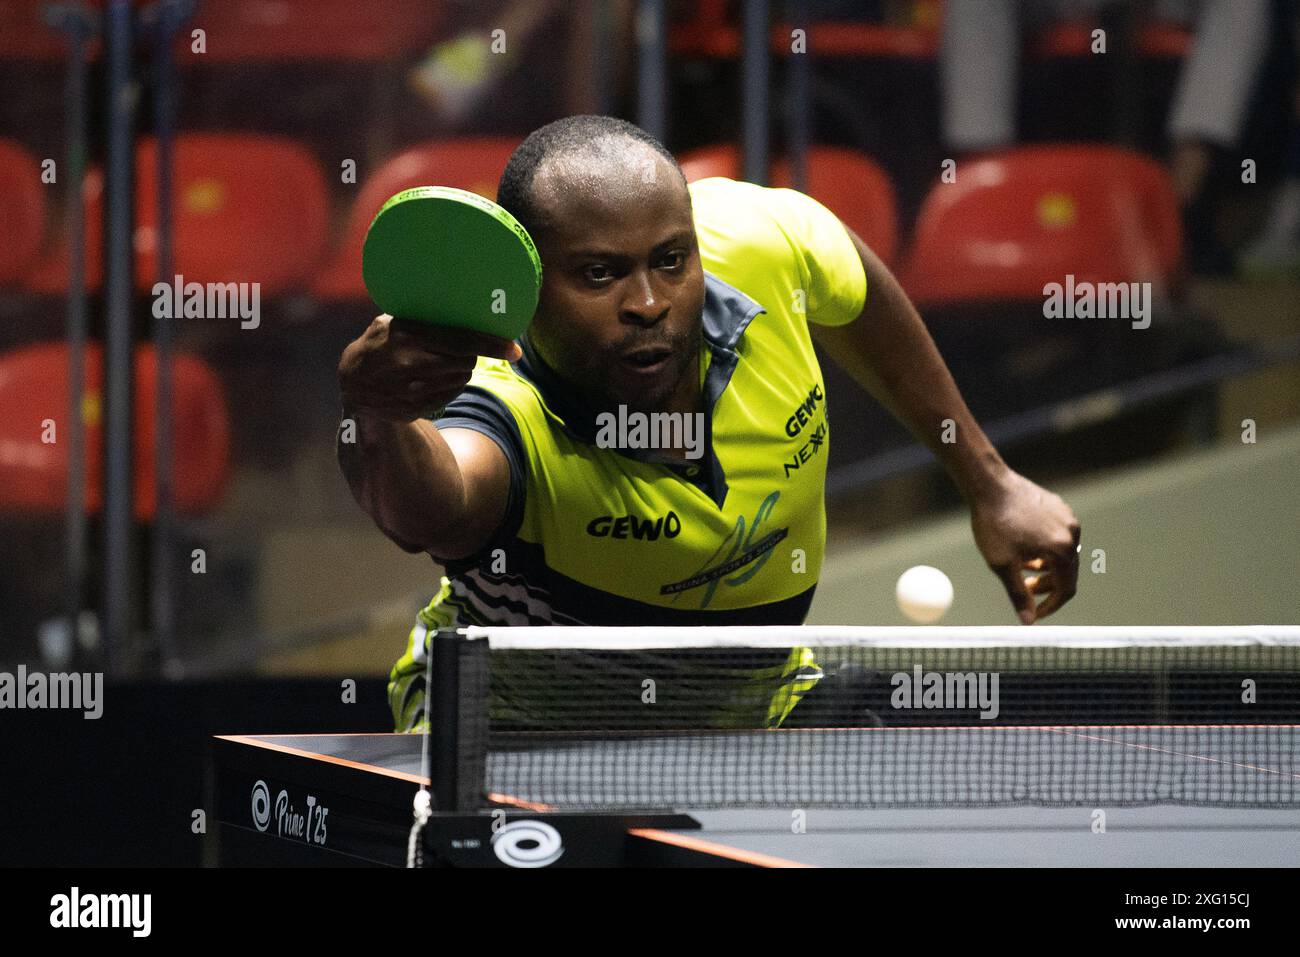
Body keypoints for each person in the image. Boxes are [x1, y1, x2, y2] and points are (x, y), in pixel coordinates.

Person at [336, 116, 1081, 732]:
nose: (649, 301)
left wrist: (991, 482)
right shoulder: (510, 412)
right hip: (520, 730)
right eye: (600, 274)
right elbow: (428, 504)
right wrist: (378, 416)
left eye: (671, 260)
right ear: (526, 291)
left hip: (754, 704)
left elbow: (850, 281)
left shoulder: (757, 243)